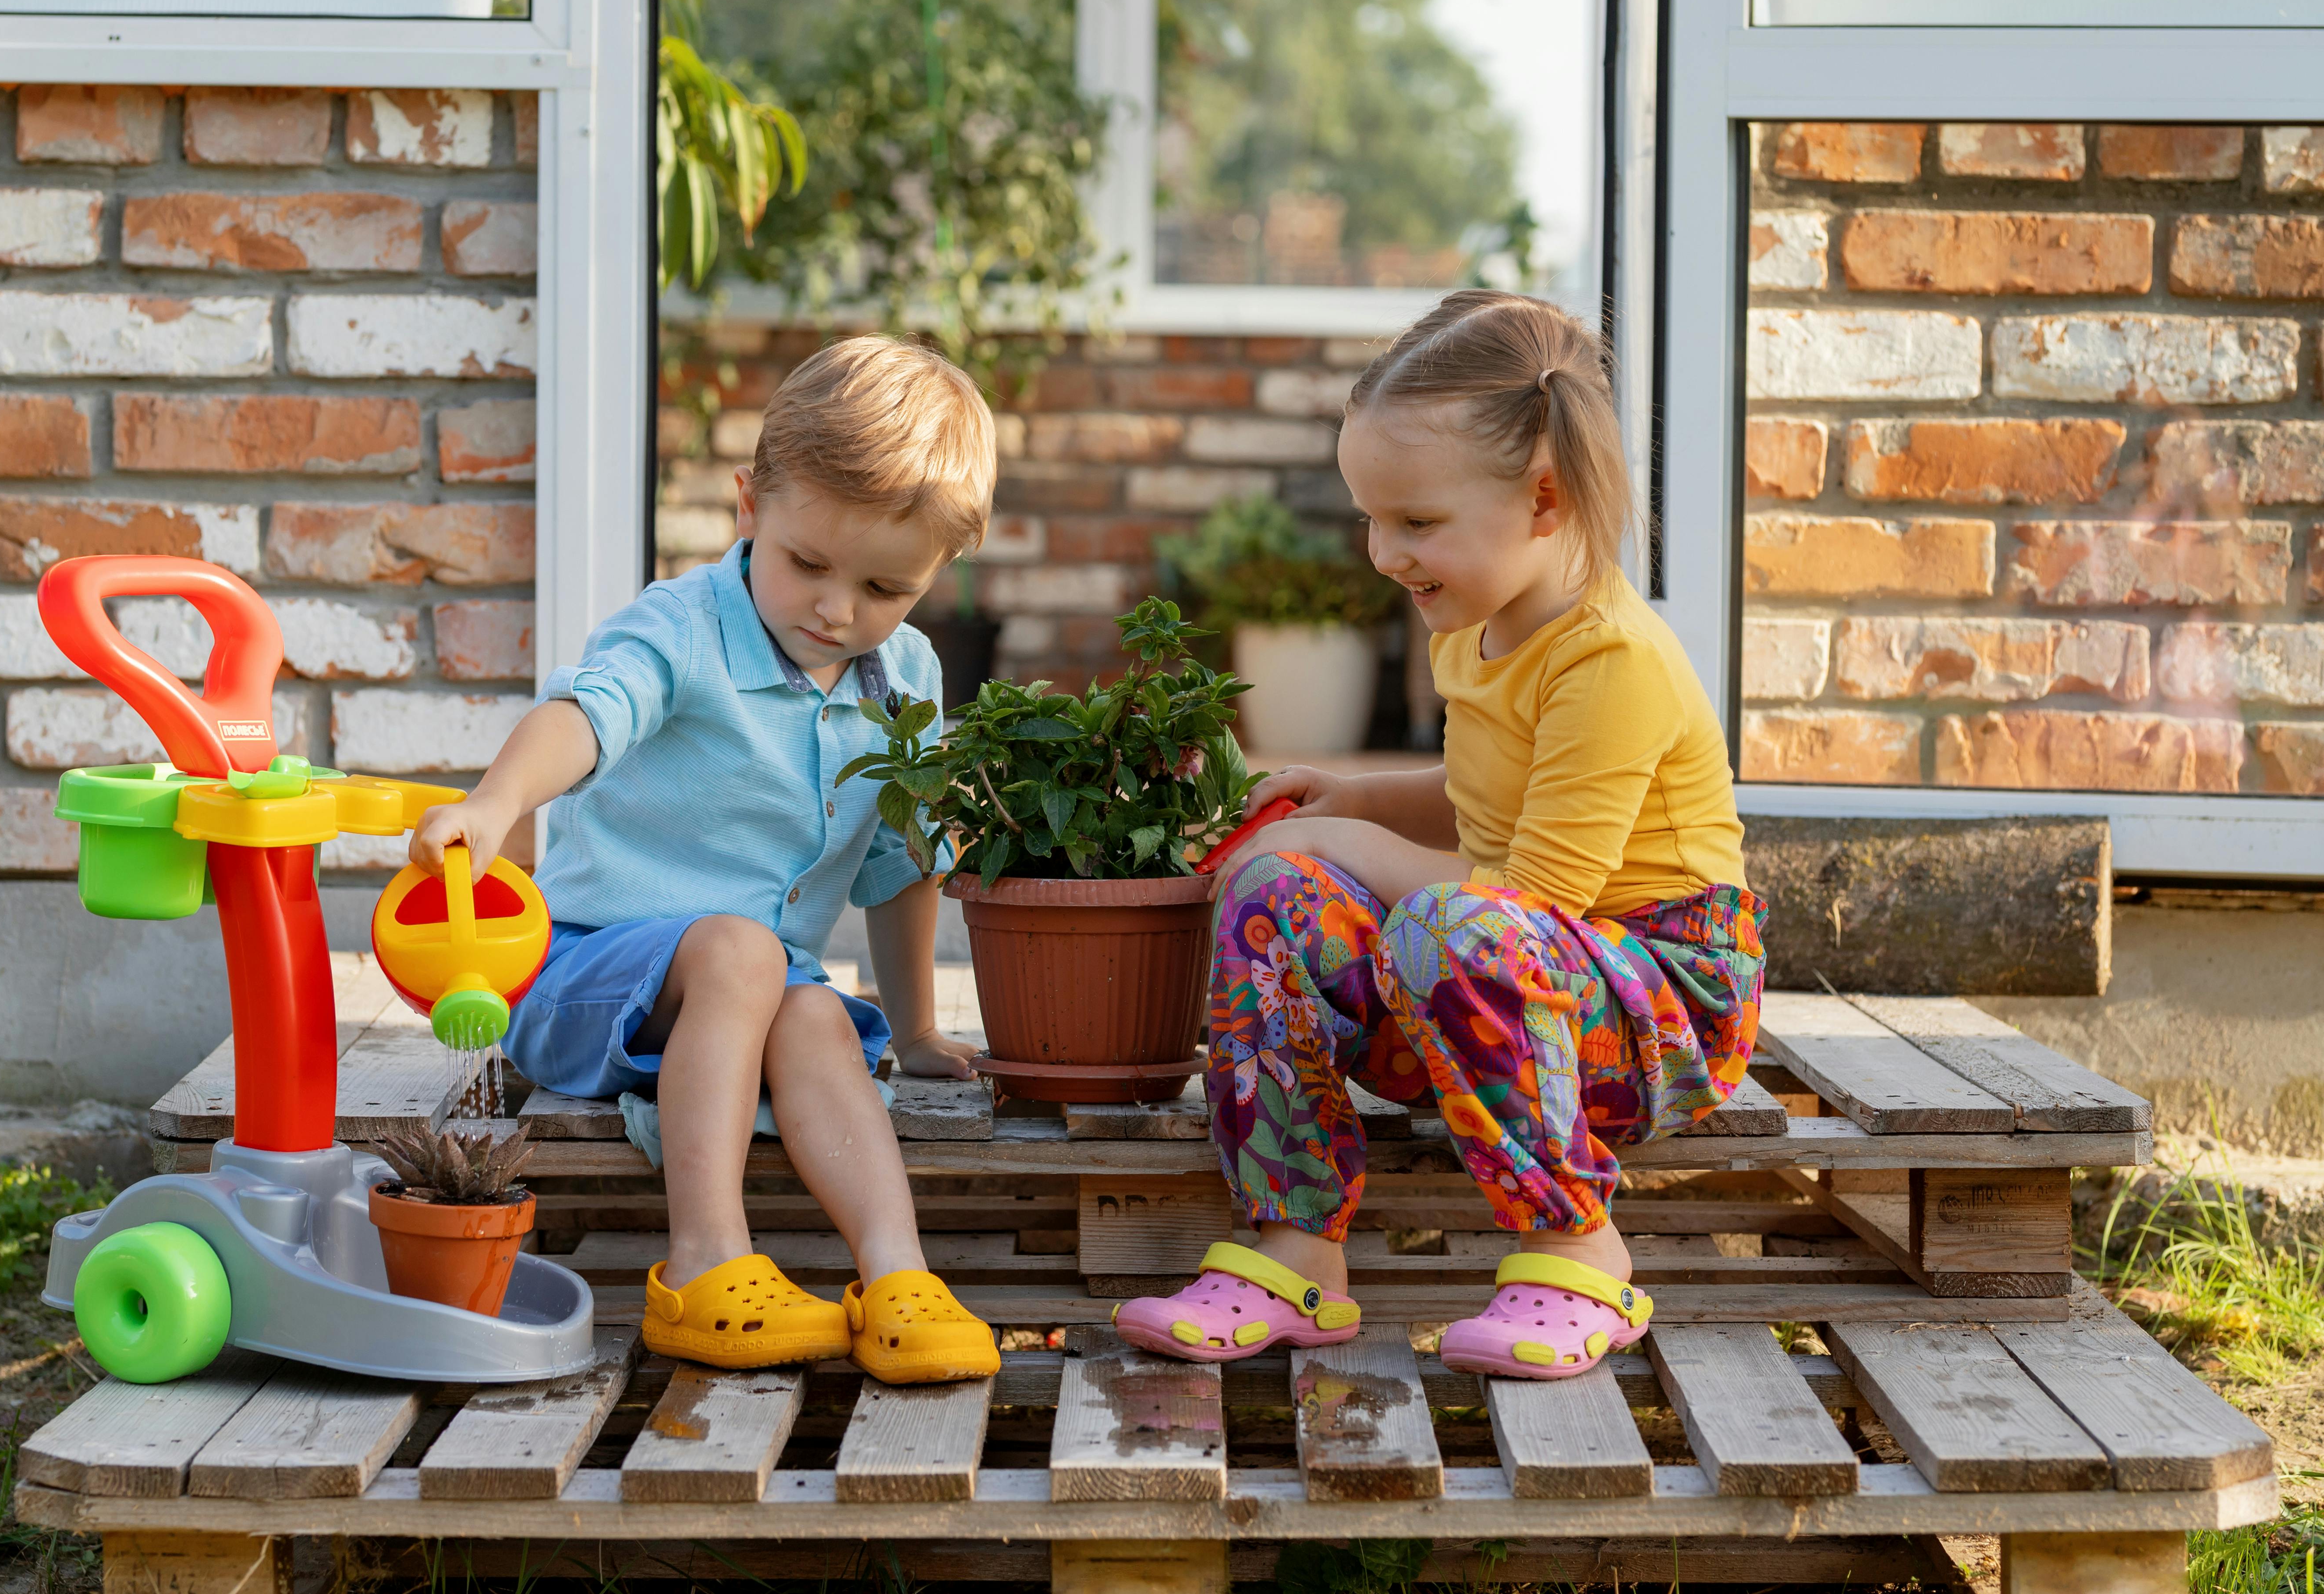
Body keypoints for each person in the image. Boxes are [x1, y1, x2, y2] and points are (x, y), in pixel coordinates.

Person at [1112, 291, 1764, 1380]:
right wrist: (1354, 800)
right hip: (1507, 993)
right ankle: (1294, 1246)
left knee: (1447, 926)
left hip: (1661, 1009)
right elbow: (1480, 796)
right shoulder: (1474, 624)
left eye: (1414, 523)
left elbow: (1531, 900)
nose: (1381, 552)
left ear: (1544, 498)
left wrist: (1347, 848)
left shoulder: (1611, 660)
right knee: (1275, 899)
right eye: (1369, 519)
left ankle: (1577, 1246)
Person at [409, 335, 1000, 1385]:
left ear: (935, 574)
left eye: (883, 586)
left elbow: (899, 862)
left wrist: (912, 1030)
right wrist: (496, 802)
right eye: (806, 564)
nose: (836, 609)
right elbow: (586, 716)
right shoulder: (680, 630)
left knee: (817, 1014)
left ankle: (897, 1276)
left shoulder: (904, 677)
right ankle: (704, 1263)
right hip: (583, 977)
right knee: (741, 954)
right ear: (747, 507)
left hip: (755, 993)